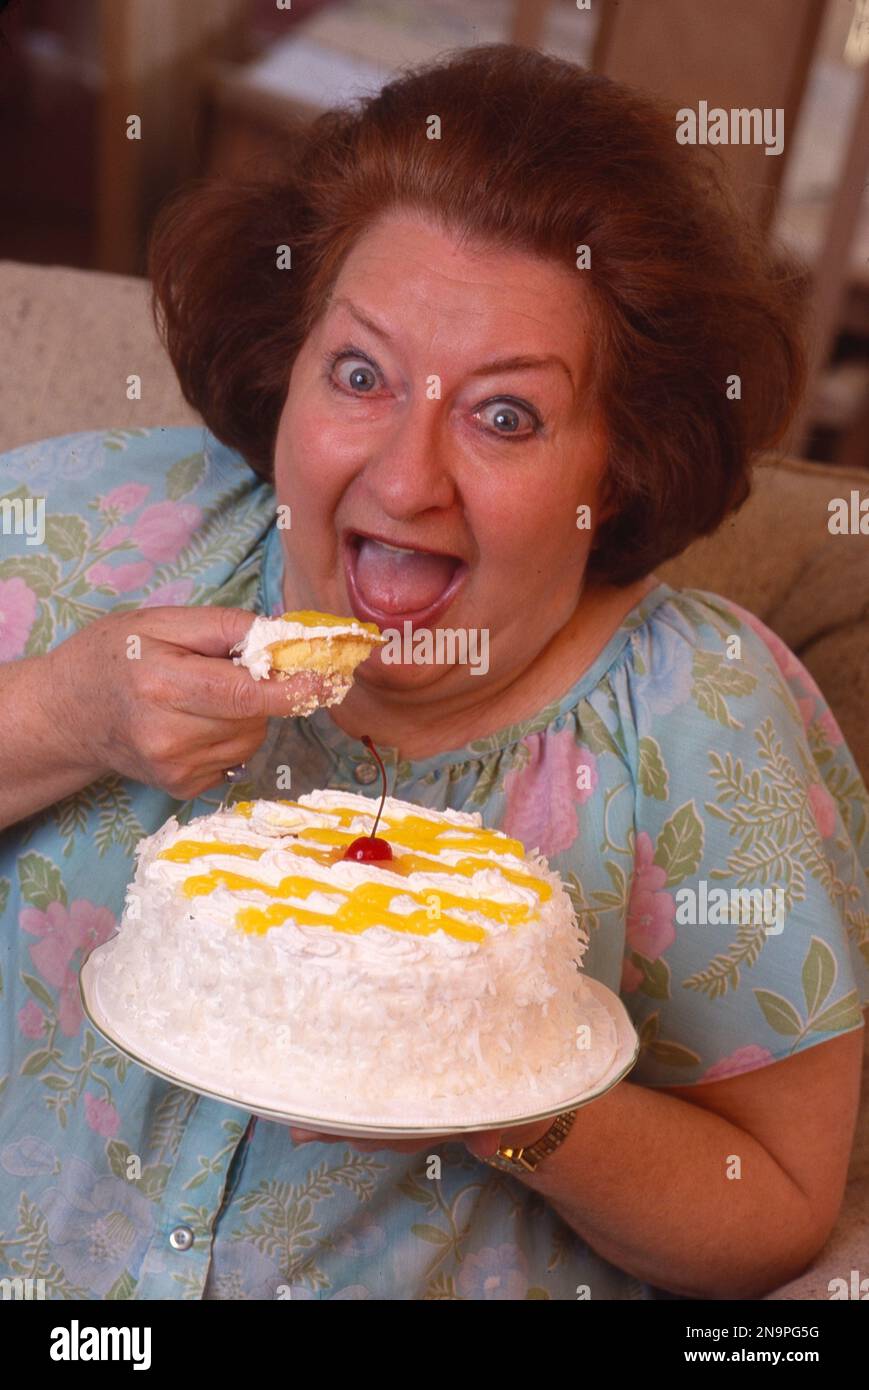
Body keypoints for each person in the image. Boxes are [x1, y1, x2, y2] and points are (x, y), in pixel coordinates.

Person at [1, 43, 866, 1302]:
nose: (406, 480)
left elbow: (777, 1206)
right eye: (359, 375)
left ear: (615, 465)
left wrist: (500, 1090)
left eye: (504, 415)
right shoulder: (93, 532)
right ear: (285, 365)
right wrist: (61, 714)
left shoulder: (703, 717)